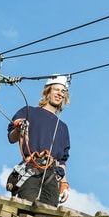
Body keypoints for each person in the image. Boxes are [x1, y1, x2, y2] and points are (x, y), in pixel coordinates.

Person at [7, 75, 71, 207]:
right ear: (47, 91)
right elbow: (11, 138)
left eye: (63, 91)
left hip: (52, 177)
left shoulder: (63, 128)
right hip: (32, 170)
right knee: (27, 210)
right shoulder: (29, 112)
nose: (60, 94)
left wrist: (64, 184)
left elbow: (62, 161)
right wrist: (19, 128)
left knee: (48, 215)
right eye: (56, 89)